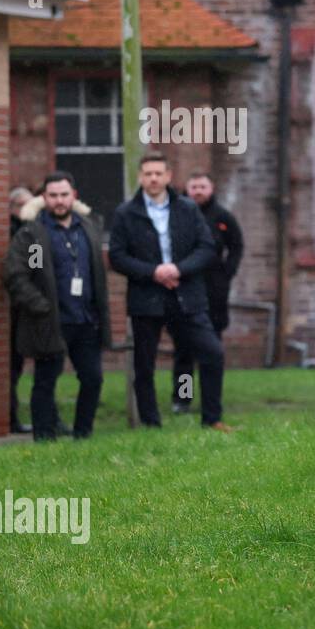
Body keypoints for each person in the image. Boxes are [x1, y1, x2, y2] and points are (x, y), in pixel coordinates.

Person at [108, 153, 232, 432]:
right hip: (146, 297)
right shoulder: (126, 213)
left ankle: (212, 418)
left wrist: (177, 269)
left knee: (212, 352)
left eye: (158, 173)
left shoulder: (187, 209)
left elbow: (206, 248)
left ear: (168, 176)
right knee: (144, 363)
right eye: (148, 173)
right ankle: (151, 423)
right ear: (140, 177)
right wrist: (153, 272)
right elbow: (117, 257)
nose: (153, 178)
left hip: (186, 293)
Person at [3, 173, 111, 440]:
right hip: (51, 321)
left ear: (73, 195)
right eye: (53, 195)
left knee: (93, 379)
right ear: (44, 198)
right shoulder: (35, 235)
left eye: (64, 195)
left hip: (85, 320)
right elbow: (19, 274)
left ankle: (83, 433)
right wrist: (40, 305)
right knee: (45, 381)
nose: (59, 201)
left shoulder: (87, 228)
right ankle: (43, 436)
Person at [173, 171, 244, 415]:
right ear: (187, 189)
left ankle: (210, 398)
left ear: (211, 188)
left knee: (212, 349)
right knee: (184, 350)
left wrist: (227, 273)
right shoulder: (177, 213)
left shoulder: (223, 217)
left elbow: (236, 246)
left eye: (203, 186)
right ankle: (183, 398)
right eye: (194, 187)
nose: (198, 191)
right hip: (185, 287)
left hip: (214, 292)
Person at [8, 186, 34, 434]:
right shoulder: (17, 233)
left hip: (23, 309)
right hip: (16, 310)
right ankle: (10, 418)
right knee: (11, 368)